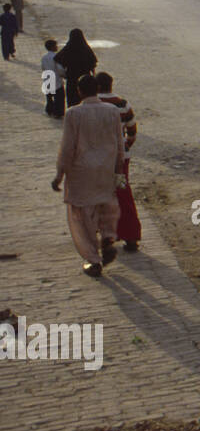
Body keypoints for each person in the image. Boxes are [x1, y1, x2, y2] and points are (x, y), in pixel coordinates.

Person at [53, 75, 125, 277]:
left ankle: (93, 260)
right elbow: (119, 142)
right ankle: (108, 236)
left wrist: (59, 174)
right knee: (106, 206)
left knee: (82, 217)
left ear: (79, 91)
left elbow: (67, 148)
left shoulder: (73, 113)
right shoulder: (112, 111)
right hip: (106, 169)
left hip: (81, 172)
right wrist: (119, 169)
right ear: (98, 88)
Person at [95, 72, 142, 253]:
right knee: (122, 193)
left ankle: (106, 235)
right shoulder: (123, 104)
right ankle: (131, 236)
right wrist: (126, 145)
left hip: (99, 160)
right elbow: (132, 130)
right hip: (120, 160)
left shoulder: (92, 105)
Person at [54, 29, 97, 107]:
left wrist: (63, 72)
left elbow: (57, 58)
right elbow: (93, 63)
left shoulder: (68, 48)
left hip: (72, 78)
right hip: (85, 79)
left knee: (72, 98)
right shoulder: (86, 48)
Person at [41, 39, 67, 118]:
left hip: (47, 78)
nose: (57, 47)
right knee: (59, 97)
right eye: (55, 45)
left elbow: (43, 67)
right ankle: (58, 112)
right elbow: (59, 68)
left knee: (49, 97)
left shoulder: (44, 57)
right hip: (56, 79)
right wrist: (64, 75)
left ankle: (49, 110)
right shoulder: (56, 56)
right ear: (52, 47)